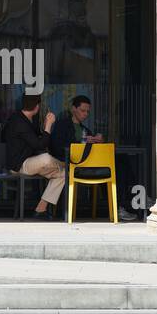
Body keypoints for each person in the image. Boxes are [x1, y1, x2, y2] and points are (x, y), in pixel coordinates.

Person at [47, 94, 137, 222]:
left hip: (89, 165)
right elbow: (56, 146)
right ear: (73, 109)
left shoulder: (86, 130)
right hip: (73, 166)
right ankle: (123, 203)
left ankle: (128, 199)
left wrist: (98, 141)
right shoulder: (62, 125)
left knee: (121, 160)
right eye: (82, 110)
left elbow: (92, 149)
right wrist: (80, 142)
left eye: (88, 111)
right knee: (116, 166)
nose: (85, 114)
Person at [0, 94, 65, 220]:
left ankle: (41, 209)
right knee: (46, 158)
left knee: (63, 174)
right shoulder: (18, 121)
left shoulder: (28, 119)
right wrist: (48, 126)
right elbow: (39, 145)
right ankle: (65, 163)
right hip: (19, 165)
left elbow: (38, 139)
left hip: (30, 162)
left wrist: (45, 127)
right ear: (36, 106)